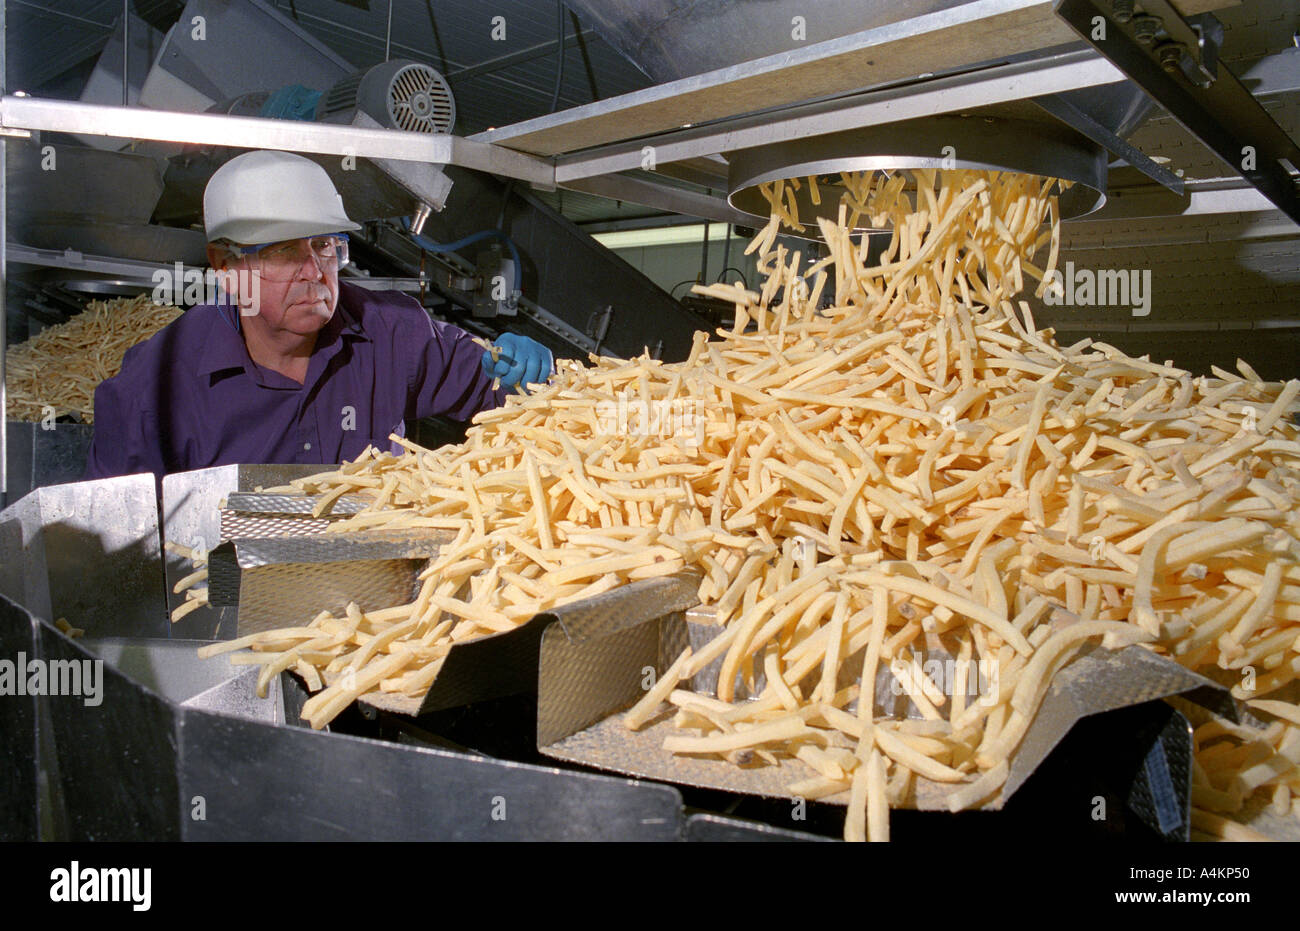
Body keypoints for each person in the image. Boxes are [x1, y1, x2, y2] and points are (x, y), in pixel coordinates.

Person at [83, 149, 552, 480]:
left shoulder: (392, 331)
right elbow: (118, 545)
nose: (315, 272)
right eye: (285, 252)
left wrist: (523, 376)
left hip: (380, 602)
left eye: (324, 246)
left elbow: (507, 390)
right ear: (226, 267)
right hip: (230, 606)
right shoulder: (153, 387)